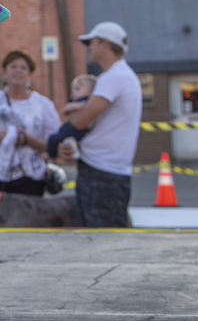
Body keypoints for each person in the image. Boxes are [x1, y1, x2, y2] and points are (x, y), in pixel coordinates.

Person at [53, 22, 143, 227]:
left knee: (100, 240)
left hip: (102, 173)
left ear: (104, 43)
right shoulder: (122, 76)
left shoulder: (113, 77)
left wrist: (73, 112)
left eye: (90, 42)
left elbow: (83, 121)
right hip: (109, 171)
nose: (87, 48)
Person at [0, 50, 61, 196]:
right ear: (4, 72)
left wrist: (28, 140)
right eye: (13, 66)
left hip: (29, 179)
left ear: (30, 74)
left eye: (23, 67)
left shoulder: (43, 105)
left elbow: (55, 144)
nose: (18, 71)